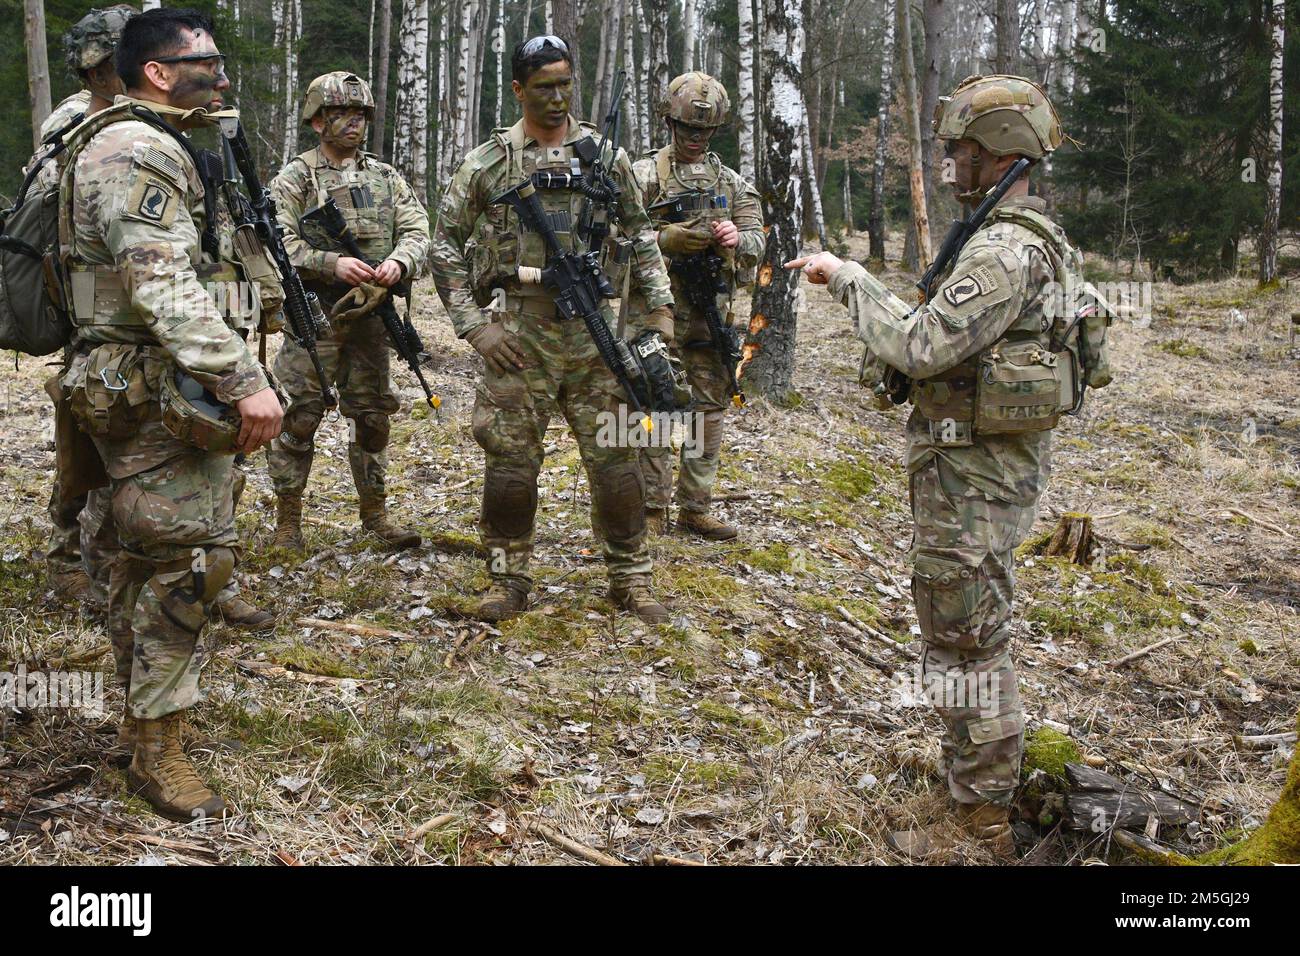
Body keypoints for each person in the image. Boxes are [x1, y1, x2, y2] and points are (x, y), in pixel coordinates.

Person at [788, 75, 1094, 856]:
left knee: (967, 637)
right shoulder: (1027, 239)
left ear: (998, 153)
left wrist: (849, 279)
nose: (952, 164)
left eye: (961, 150)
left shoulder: (1001, 253)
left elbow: (921, 345)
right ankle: (973, 782)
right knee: (966, 628)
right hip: (980, 472)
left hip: (975, 480)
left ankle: (980, 817)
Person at [60, 8, 284, 820]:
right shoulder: (136, 149)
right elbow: (160, 281)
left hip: (141, 377)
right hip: (156, 382)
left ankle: (141, 716)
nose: (221, 75)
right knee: (190, 561)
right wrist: (241, 377)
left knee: (132, 550)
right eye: (207, 63)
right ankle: (160, 749)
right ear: (158, 71)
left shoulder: (160, 141)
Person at [430, 35, 676, 624]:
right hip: (520, 334)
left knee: (619, 463)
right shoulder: (488, 164)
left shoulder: (606, 159)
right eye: (544, 87)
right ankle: (504, 579)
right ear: (518, 90)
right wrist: (473, 327)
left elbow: (641, 236)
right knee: (510, 469)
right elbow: (443, 248)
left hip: (596, 338)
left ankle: (631, 579)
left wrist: (661, 311)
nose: (558, 98)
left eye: (566, 84)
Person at [266, 71, 431, 552]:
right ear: (317, 121)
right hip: (315, 315)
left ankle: (375, 514)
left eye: (360, 114)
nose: (354, 123)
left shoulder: (384, 177)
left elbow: (418, 228)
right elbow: (277, 242)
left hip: (372, 319)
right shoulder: (296, 178)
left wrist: (400, 262)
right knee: (299, 415)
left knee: (373, 416)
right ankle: (287, 520)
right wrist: (331, 263)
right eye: (342, 113)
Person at [32, 5, 139, 611]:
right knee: (89, 434)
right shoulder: (76, 123)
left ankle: (177, 560)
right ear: (97, 70)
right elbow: (58, 210)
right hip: (91, 309)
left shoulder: (169, 119)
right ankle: (69, 554)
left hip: (158, 303)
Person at [631, 71, 765, 539]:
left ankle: (695, 505)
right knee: (654, 402)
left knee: (708, 409)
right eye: (688, 129)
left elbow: (757, 240)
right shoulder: (644, 175)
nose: (694, 138)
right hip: (657, 313)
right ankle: (650, 506)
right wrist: (663, 238)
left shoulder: (732, 183)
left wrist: (735, 238)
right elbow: (611, 235)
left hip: (712, 315)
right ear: (670, 124)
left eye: (704, 132)